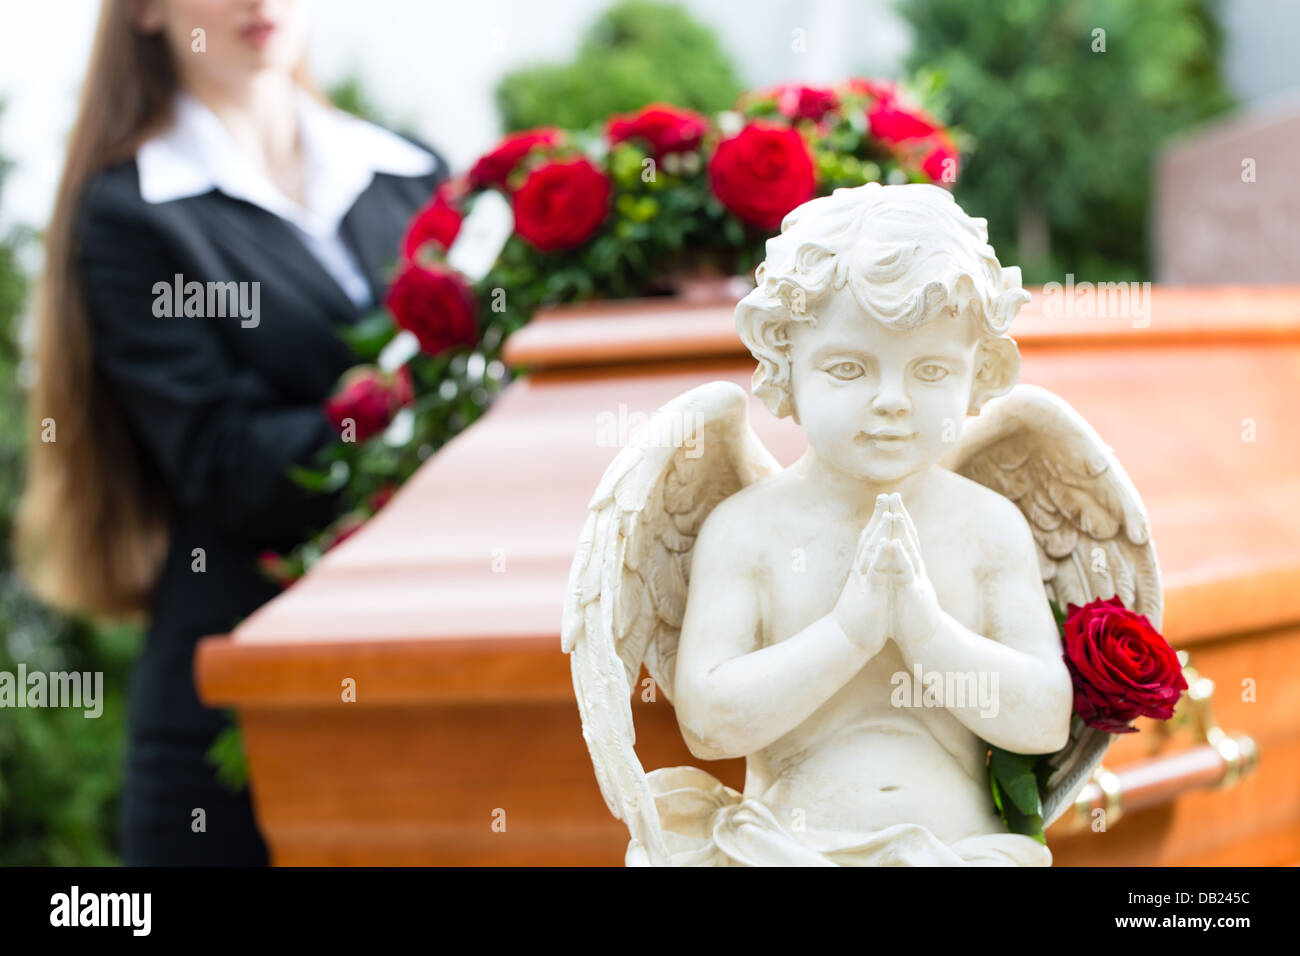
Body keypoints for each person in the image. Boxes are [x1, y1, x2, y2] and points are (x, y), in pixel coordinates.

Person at [17, 0, 446, 865]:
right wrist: (425, 412)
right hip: (238, 707)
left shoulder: (411, 174)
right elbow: (231, 465)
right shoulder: (133, 213)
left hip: (436, 670)